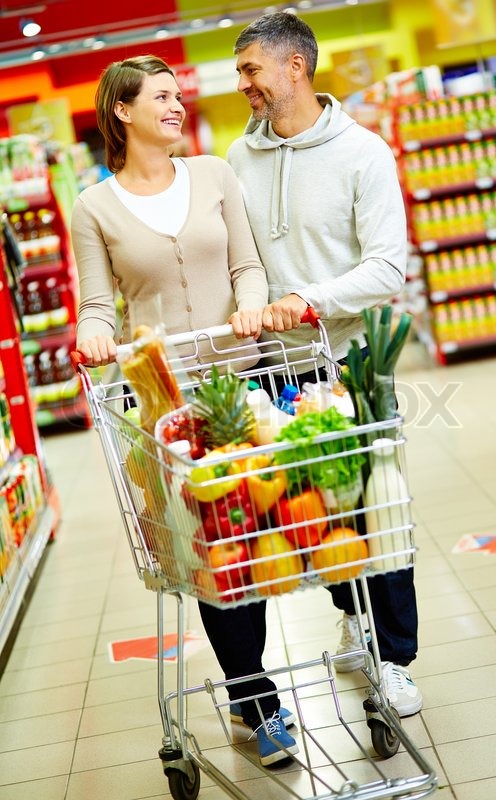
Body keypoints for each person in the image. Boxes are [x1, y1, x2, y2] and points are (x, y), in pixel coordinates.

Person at [70, 54, 298, 767]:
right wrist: (93, 335)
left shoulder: (213, 175)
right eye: (161, 97)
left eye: (177, 95)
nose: (177, 105)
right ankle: (254, 697)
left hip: (243, 392)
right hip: (166, 407)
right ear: (122, 112)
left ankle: (249, 688)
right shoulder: (92, 207)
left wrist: (254, 302)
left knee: (258, 537)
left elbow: (245, 265)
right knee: (212, 555)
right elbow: (97, 304)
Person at [227, 12, 422, 717]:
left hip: (349, 360)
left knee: (380, 508)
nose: (241, 82)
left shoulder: (363, 154)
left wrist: (308, 299)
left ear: (294, 68)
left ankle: (396, 658)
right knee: (314, 516)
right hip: (274, 375)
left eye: (250, 68)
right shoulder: (235, 158)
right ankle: (351, 617)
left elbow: (385, 268)